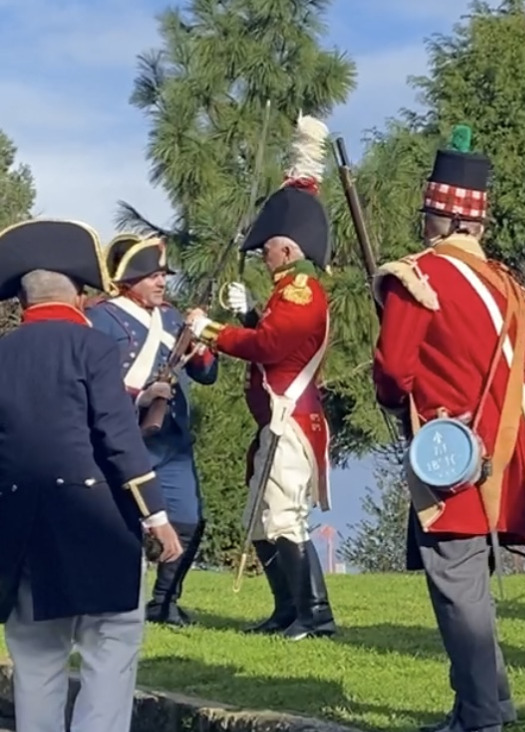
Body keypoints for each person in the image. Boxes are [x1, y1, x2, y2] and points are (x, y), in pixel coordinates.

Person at [371, 125, 525, 732]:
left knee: (458, 591)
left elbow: (392, 372)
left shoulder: (418, 278)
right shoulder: (510, 288)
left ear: (439, 216)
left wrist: (400, 404)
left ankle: (480, 716)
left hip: (448, 458)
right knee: (470, 587)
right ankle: (489, 703)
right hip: (502, 459)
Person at [0, 218, 183, 732]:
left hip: (20, 534)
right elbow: (118, 439)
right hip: (97, 528)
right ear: (80, 297)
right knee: (110, 652)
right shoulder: (95, 348)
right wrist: (158, 516)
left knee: (36, 666)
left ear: (21, 302)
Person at [185, 114, 337, 641]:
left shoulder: (300, 292)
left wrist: (212, 331)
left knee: (283, 516)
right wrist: (248, 316)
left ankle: (315, 615)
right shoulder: (284, 291)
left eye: (269, 244)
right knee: (262, 515)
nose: (262, 250)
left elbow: (271, 347)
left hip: (290, 419)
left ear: (289, 248)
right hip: (275, 419)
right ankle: (287, 610)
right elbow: (270, 341)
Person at [87, 233, 219, 627]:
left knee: (187, 518)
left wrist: (202, 336)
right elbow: (92, 379)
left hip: (172, 439)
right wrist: (140, 395)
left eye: (163, 274)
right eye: (151, 275)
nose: (161, 282)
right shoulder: (100, 317)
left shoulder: (174, 318)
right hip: (123, 434)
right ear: (127, 280)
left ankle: (164, 601)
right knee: (118, 522)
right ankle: (114, 599)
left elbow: (207, 373)